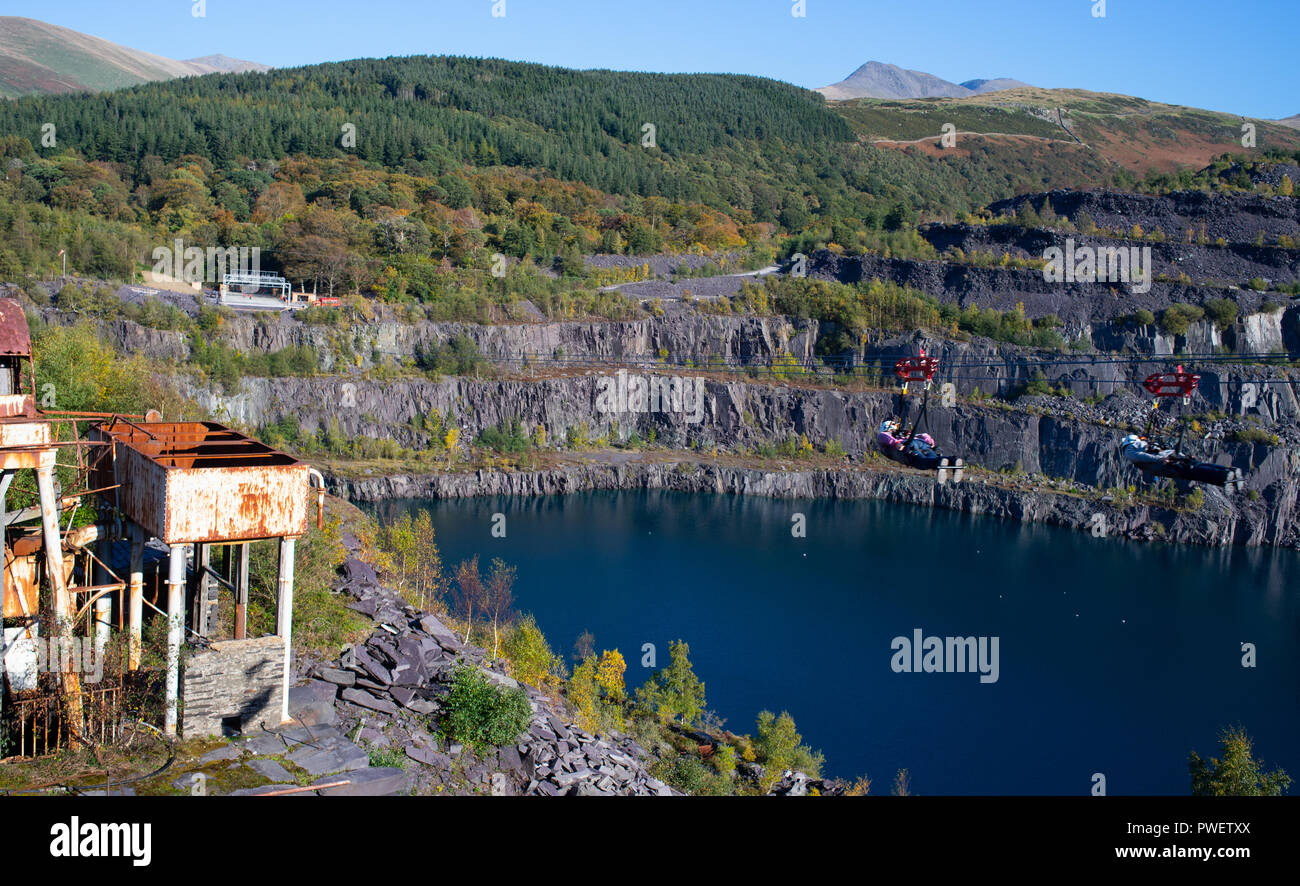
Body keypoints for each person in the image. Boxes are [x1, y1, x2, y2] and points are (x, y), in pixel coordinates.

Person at [1120, 434, 1242, 488]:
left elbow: (1144, 457)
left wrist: (1161, 458)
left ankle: (1224, 476)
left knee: (1194, 472)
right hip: (1172, 456)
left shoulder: (1128, 451)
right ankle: (1228, 472)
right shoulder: (1143, 443)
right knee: (1197, 466)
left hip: (1167, 463)